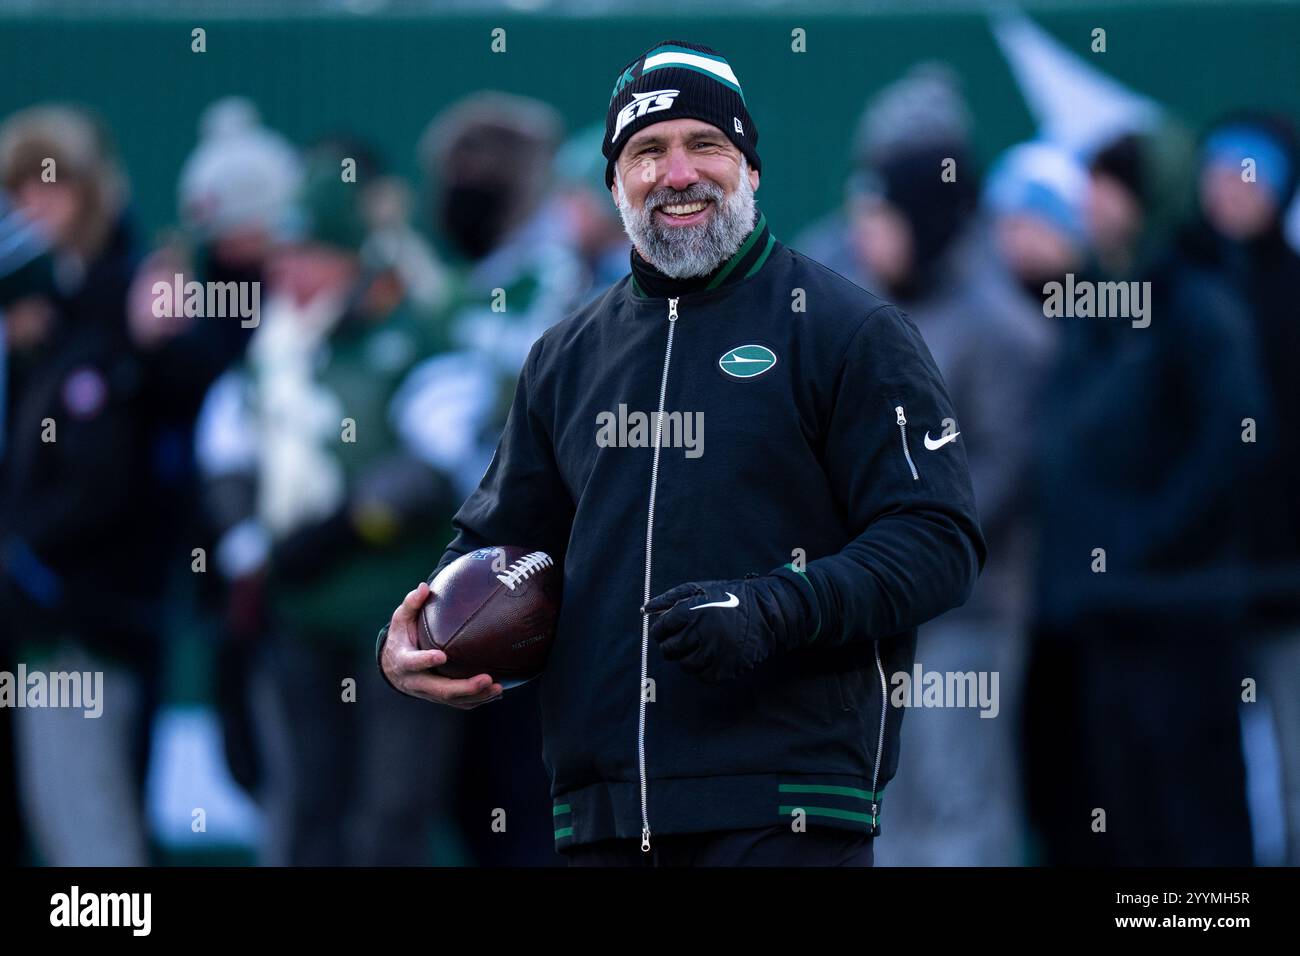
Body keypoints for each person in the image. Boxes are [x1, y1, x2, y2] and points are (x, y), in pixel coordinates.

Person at [378, 39, 985, 867]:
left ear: (752, 170)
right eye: (646, 152)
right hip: (602, 814)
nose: (676, 174)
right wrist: (419, 632)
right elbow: (500, 541)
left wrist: (777, 606)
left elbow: (937, 541)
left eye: (706, 145)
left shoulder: (851, 331)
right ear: (613, 185)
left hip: (787, 805)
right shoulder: (565, 355)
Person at [194, 139, 460, 865]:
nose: (285, 273)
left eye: (302, 255)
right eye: (279, 257)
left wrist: (347, 527)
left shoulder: (406, 330)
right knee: (305, 801)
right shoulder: (273, 350)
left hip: (395, 616)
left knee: (390, 808)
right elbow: (228, 446)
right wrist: (246, 537)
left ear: (344, 258)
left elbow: (438, 462)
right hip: (294, 611)